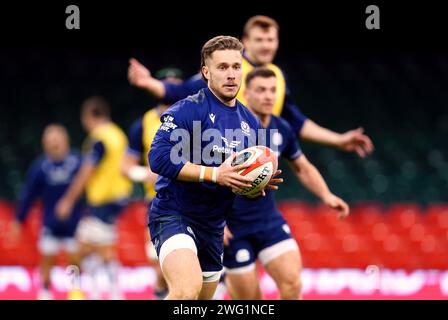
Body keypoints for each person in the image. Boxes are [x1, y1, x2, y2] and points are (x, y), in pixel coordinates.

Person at [147, 35, 281, 300]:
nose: (231, 74)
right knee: (186, 291)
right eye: (222, 67)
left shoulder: (251, 123)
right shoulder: (187, 110)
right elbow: (158, 158)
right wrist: (215, 174)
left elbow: (236, 183)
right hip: (174, 214)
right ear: (206, 72)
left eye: (236, 66)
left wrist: (253, 188)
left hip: (213, 227)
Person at [128, 15, 374, 158]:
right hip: (216, 163)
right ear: (245, 42)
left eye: (271, 39)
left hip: (251, 168)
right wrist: (148, 82)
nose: (266, 45)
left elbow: (295, 121)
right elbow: (178, 92)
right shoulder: (228, 68)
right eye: (259, 39)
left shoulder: (275, 76)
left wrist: (339, 140)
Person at [223, 68, 349, 300]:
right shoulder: (225, 129)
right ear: (246, 94)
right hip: (232, 227)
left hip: (268, 221)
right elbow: (205, 179)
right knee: (250, 301)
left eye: (273, 90)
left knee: (292, 284)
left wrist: (327, 196)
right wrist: (215, 223)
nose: (268, 96)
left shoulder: (282, 127)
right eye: (261, 90)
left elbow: (303, 167)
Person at [55, 96, 132, 300]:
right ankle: (103, 291)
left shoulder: (99, 137)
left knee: (79, 250)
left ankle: (77, 292)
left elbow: (87, 170)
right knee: (97, 249)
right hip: (119, 198)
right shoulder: (118, 134)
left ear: (89, 117)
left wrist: (68, 200)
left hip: (103, 200)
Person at [121, 68, 184, 299]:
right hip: (158, 201)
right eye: (168, 84)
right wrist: (145, 173)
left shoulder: (197, 119)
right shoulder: (144, 123)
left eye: (177, 85)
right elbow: (125, 167)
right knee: (161, 267)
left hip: (193, 200)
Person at [11, 124, 85, 300]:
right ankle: (45, 290)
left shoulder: (77, 162)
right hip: (49, 222)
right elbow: (28, 195)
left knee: (73, 259)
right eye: (50, 141)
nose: (53, 144)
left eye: (56, 140)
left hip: (73, 222)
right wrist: (19, 219)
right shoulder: (41, 167)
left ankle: (74, 290)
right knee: (47, 258)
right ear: (44, 143)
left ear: (65, 140)